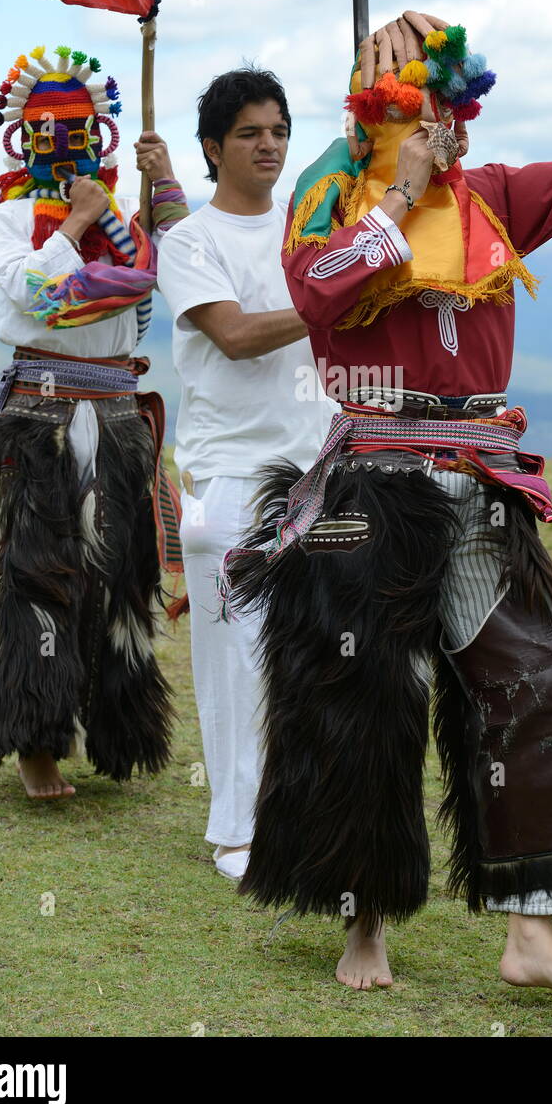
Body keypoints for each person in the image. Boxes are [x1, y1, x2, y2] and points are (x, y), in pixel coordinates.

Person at [222, 12, 552, 1004]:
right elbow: (318, 295)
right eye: (417, 100)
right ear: (375, 108)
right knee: (364, 700)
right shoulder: (336, 197)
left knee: (530, 682)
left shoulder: (491, 199)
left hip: (481, 474)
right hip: (373, 481)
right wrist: (402, 193)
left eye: (450, 100)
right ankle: (361, 916)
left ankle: (533, 927)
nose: (439, 118)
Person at [0, 44, 188, 798]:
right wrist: (76, 221)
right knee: (37, 573)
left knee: (124, 575)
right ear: (23, 138)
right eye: (49, 130)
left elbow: (177, 273)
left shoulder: (130, 219)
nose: (65, 144)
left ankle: (118, 731)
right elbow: (25, 295)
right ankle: (36, 740)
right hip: (41, 415)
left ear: (103, 134)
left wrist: (162, 188)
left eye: (78, 129)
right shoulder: (13, 217)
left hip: (118, 413)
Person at [155, 68, 336, 881]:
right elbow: (233, 335)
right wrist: (339, 294)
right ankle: (235, 831)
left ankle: (304, 816)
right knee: (237, 662)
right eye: (249, 133)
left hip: (322, 466)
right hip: (229, 476)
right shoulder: (190, 242)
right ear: (212, 148)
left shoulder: (306, 231)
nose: (268, 144)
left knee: (317, 655)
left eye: (278, 130)